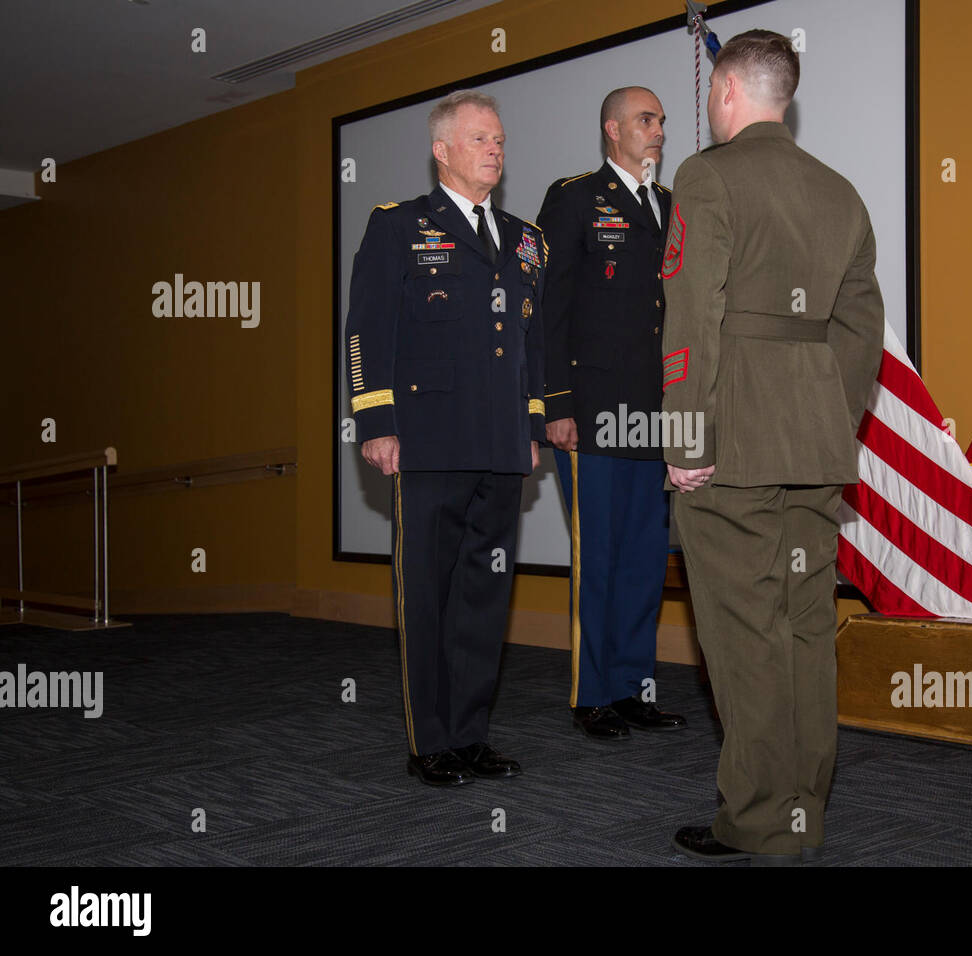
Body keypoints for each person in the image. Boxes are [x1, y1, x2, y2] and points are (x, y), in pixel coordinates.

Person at [661, 31, 886, 864]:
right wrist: (830, 411)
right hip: (814, 441)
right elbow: (863, 325)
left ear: (724, 89)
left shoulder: (706, 174)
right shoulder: (840, 191)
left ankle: (761, 824)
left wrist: (684, 435)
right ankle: (803, 809)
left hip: (731, 444)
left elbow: (691, 316)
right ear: (782, 97)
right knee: (802, 628)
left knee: (743, 634)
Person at [344, 89, 547, 786]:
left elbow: (532, 342)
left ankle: (469, 736)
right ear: (442, 150)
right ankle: (430, 740)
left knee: (483, 598)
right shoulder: (398, 226)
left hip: (498, 444)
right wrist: (375, 421)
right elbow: (366, 329)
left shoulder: (526, 239)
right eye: (480, 138)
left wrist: (531, 425)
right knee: (428, 596)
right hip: (425, 442)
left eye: (499, 139)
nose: (495, 149)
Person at [538, 87, 687, 740]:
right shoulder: (574, 197)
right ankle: (590, 693)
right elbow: (547, 306)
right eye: (646, 120)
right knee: (596, 557)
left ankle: (631, 688)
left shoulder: (669, 206)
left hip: (654, 415)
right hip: (592, 410)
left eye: (660, 121)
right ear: (612, 128)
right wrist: (556, 404)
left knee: (643, 558)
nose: (658, 130)